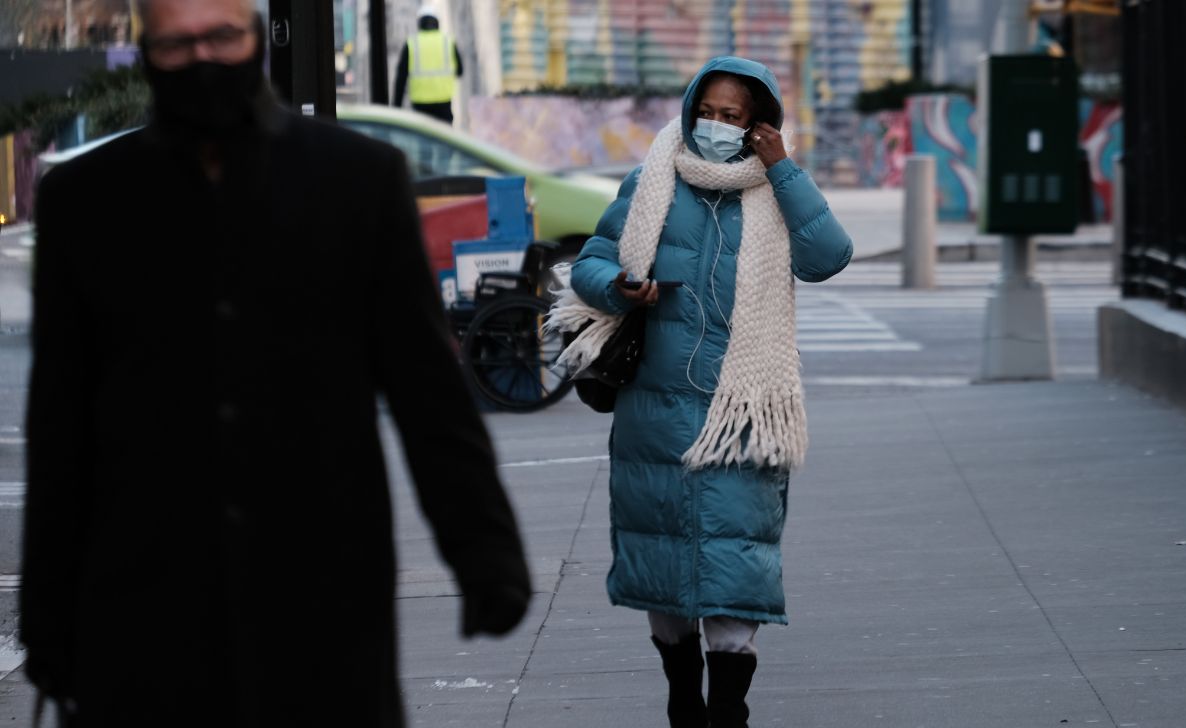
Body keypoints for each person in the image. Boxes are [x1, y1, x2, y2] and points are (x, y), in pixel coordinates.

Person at [19, 0, 530, 725]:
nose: (202, 59)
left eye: (221, 36)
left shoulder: (358, 181)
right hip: (142, 602)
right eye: (177, 45)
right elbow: (60, 419)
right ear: (147, 51)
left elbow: (427, 391)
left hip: (319, 592)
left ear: (254, 38)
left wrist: (485, 555)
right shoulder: (86, 200)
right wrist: (47, 618)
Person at [548, 57, 852, 727]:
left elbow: (828, 255)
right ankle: (683, 699)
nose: (714, 124)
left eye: (731, 115)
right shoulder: (652, 180)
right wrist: (621, 285)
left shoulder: (777, 190)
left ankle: (728, 713)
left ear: (757, 124)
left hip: (743, 414)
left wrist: (783, 168)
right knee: (665, 576)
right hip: (655, 415)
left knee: (735, 576)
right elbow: (593, 261)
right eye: (706, 111)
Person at [392, 5, 463, 124]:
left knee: (423, 141)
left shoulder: (411, 43)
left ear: (420, 23)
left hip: (420, 106)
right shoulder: (448, 42)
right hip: (444, 104)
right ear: (437, 22)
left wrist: (396, 107)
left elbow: (401, 78)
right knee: (444, 139)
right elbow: (460, 71)